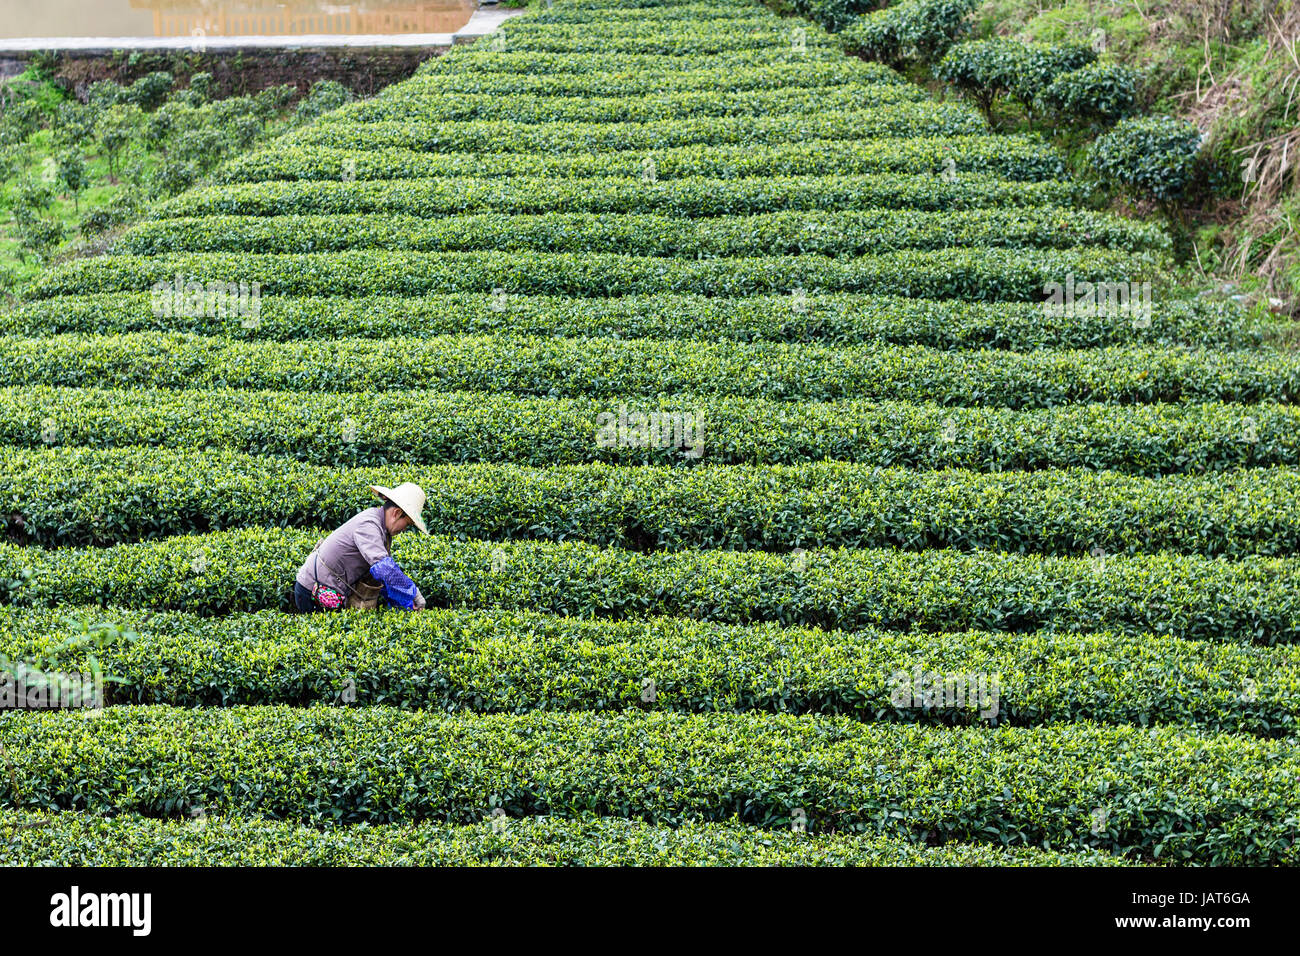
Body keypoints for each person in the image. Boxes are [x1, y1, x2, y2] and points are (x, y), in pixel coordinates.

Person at [293, 483, 429, 613]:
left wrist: (405, 602)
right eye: (407, 523)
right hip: (313, 591)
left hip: (329, 591)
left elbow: (384, 577)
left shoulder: (382, 530)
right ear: (397, 513)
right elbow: (384, 569)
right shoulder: (369, 524)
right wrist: (413, 592)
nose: (404, 529)